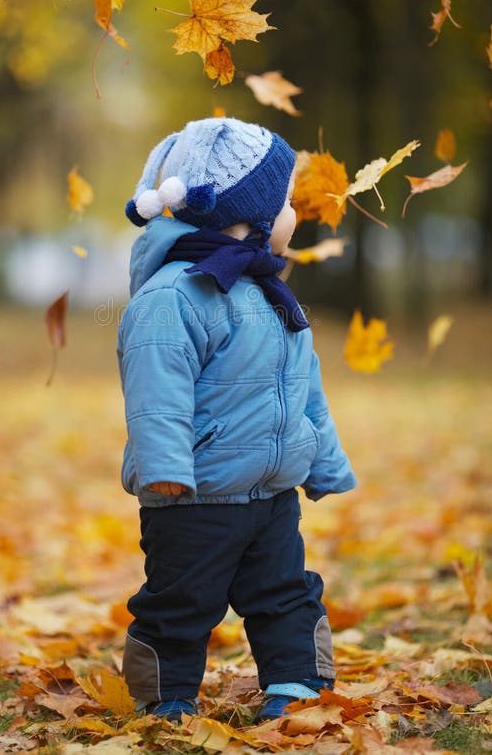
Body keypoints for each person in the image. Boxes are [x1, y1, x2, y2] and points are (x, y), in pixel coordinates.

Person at [117, 117, 357, 723]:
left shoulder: (271, 296)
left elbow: (304, 387)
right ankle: (165, 697)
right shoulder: (175, 295)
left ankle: (297, 684)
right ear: (246, 217)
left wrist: (323, 462)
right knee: (179, 603)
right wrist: (164, 467)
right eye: (285, 205)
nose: (294, 217)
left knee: (286, 594)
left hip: (272, 495)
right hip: (194, 497)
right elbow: (156, 389)